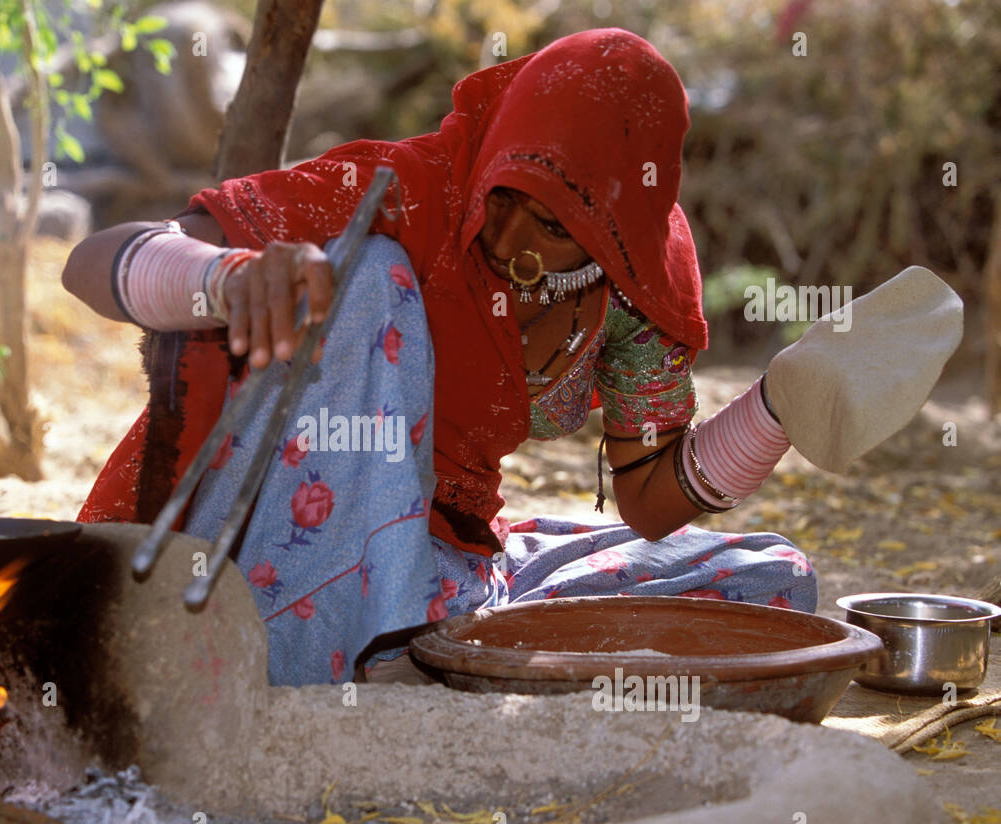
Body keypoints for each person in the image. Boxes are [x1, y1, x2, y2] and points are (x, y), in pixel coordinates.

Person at [62, 29, 820, 686]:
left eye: (553, 225)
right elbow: (91, 262)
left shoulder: (635, 289)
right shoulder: (412, 189)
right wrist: (222, 278)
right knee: (370, 274)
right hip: (255, 545)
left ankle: (418, 632)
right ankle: (374, 644)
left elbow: (649, 499)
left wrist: (778, 408)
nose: (509, 238)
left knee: (773, 582)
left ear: (617, 227)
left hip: (440, 558)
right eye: (505, 193)